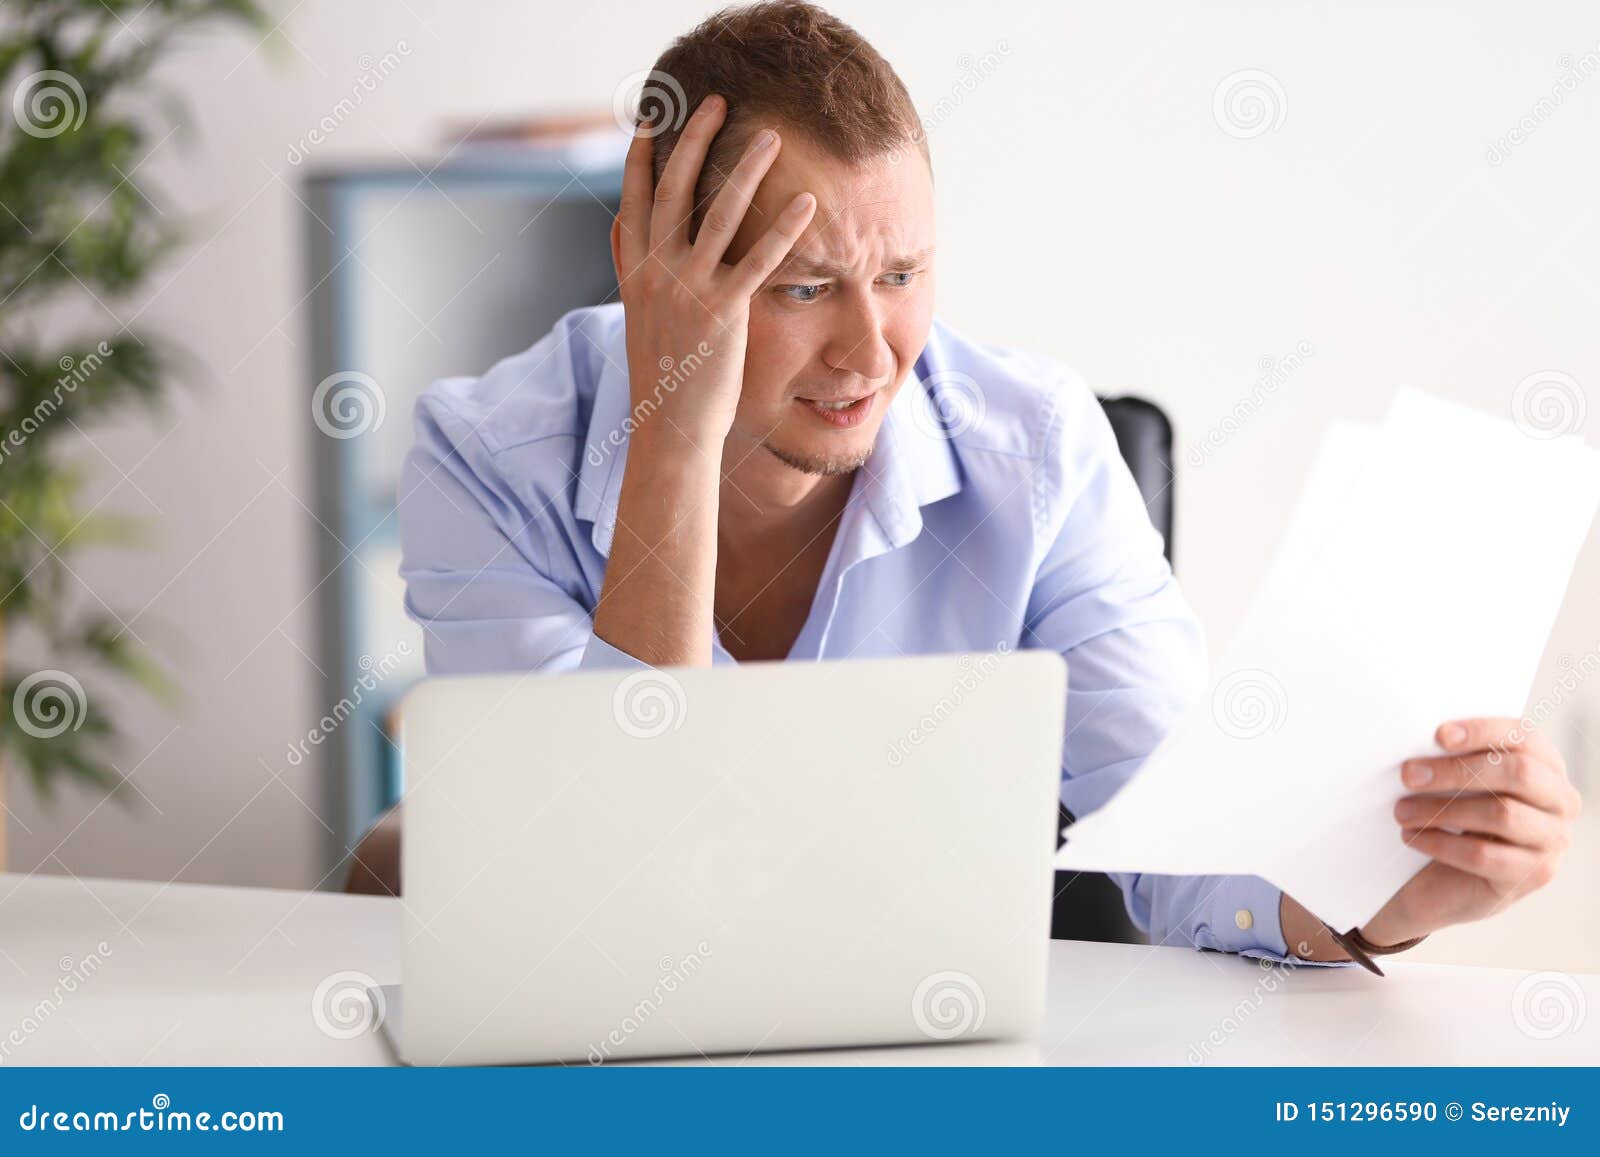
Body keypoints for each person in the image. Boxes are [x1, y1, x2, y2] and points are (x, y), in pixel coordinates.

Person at [398, 0, 1579, 964]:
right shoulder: (489, 457)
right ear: (649, 268)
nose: (871, 354)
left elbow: (1180, 842)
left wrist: (1389, 896)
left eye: (902, 271)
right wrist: (673, 437)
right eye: (801, 287)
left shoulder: (1040, 450)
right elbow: (601, 891)